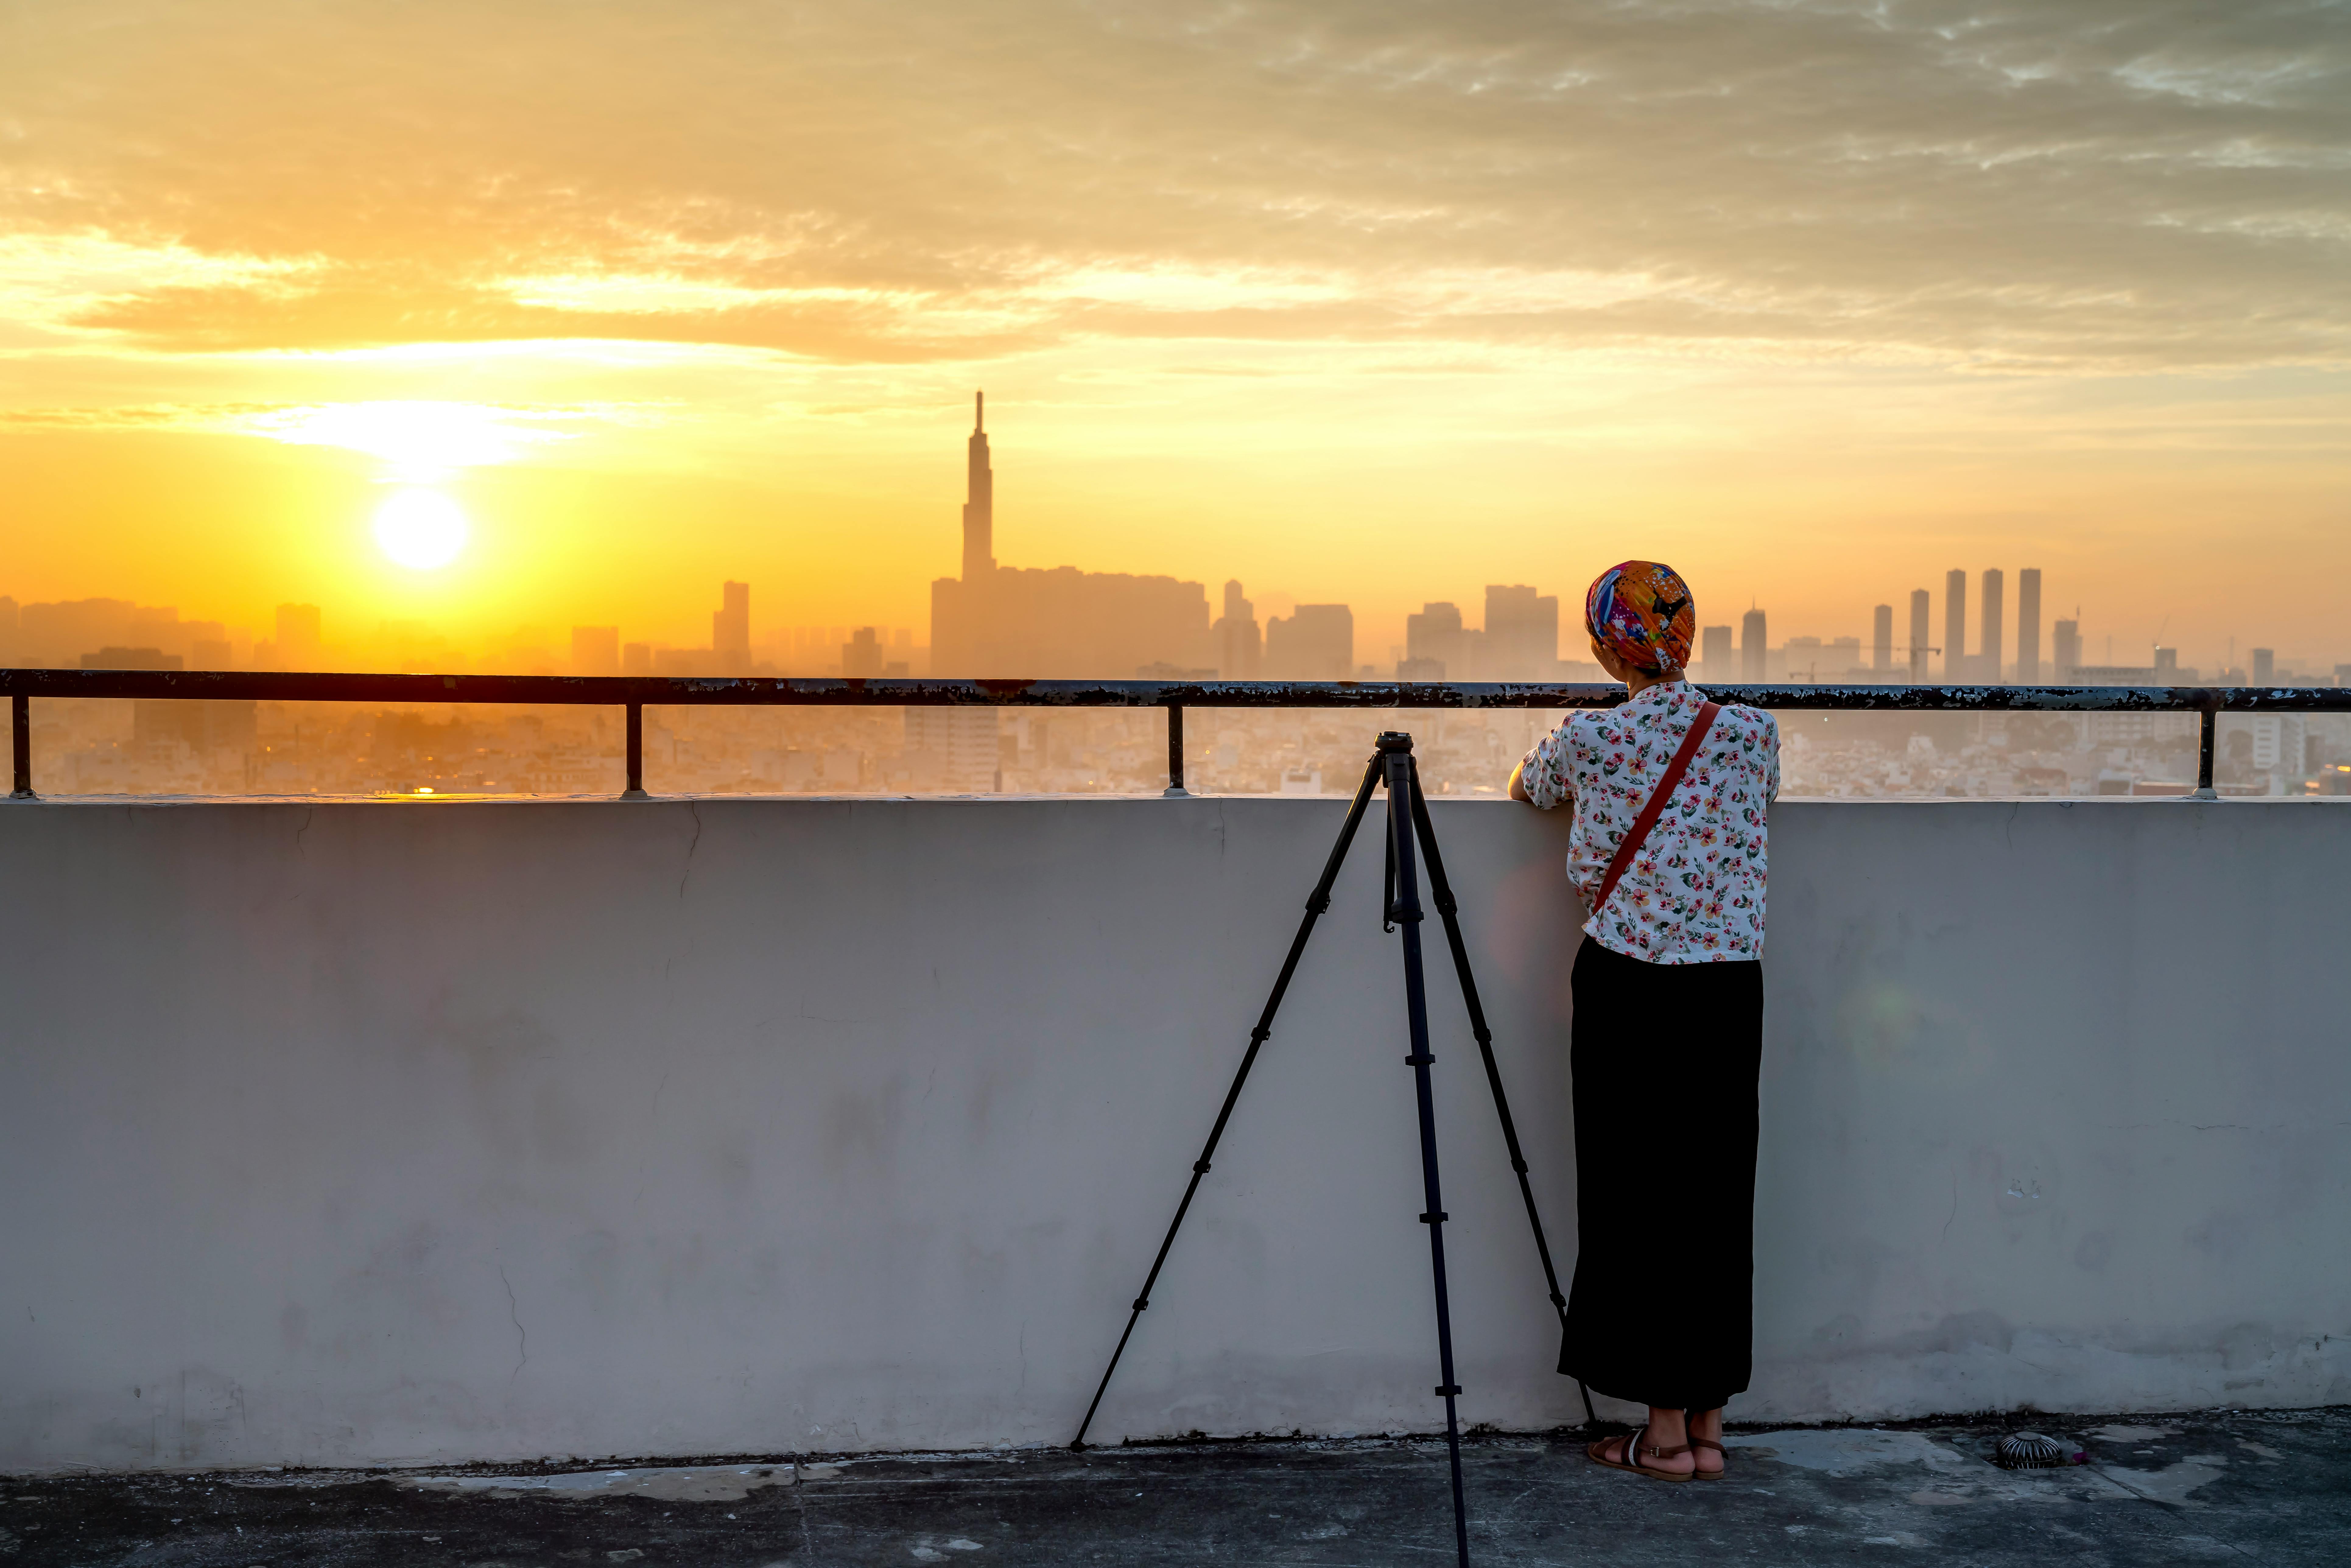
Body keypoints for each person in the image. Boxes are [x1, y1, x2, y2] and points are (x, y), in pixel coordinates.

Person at [1507, 560, 1779, 1483]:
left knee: (1638, 1197)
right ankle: (1706, 1428)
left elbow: (1525, 788)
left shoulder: (1590, 739)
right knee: (1711, 1194)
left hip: (1628, 982)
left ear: (1603, 648)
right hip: (1726, 987)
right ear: (1689, 637)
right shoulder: (1752, 733)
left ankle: (1659, 1436)